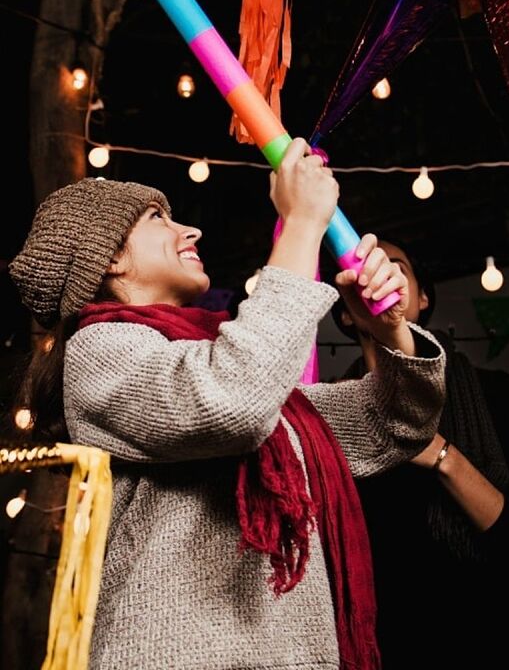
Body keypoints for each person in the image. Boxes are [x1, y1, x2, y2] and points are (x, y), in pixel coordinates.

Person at [6, 140, 447, 669]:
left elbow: (394, 425)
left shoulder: (235, 362)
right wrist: (303, 225)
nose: (189, 231)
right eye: (156, 218)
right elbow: (233, 401)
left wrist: (389, 333)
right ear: (109, 257)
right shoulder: (98, 352)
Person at [327, 239, 509, 665]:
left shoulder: (499, 394)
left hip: (498, 636)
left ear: (421, 298)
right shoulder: (331, 417)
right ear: (347, 311)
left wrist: (441, 456)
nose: (375, 275)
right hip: (385, 646)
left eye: (394, 266)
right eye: (361, 268)